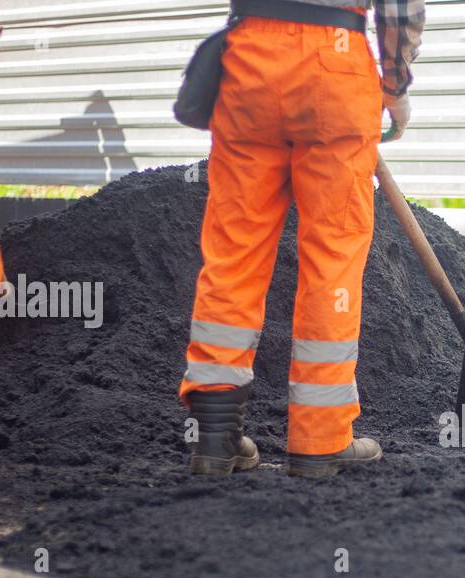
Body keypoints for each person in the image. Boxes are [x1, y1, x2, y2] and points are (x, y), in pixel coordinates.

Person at [180, 0, 423, 478]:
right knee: (332, 259)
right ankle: (320, 442)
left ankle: (214, 438)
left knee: (233, 255)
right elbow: (398, 7)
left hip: (248, 61)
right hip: (335, 65)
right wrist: (394, 83)